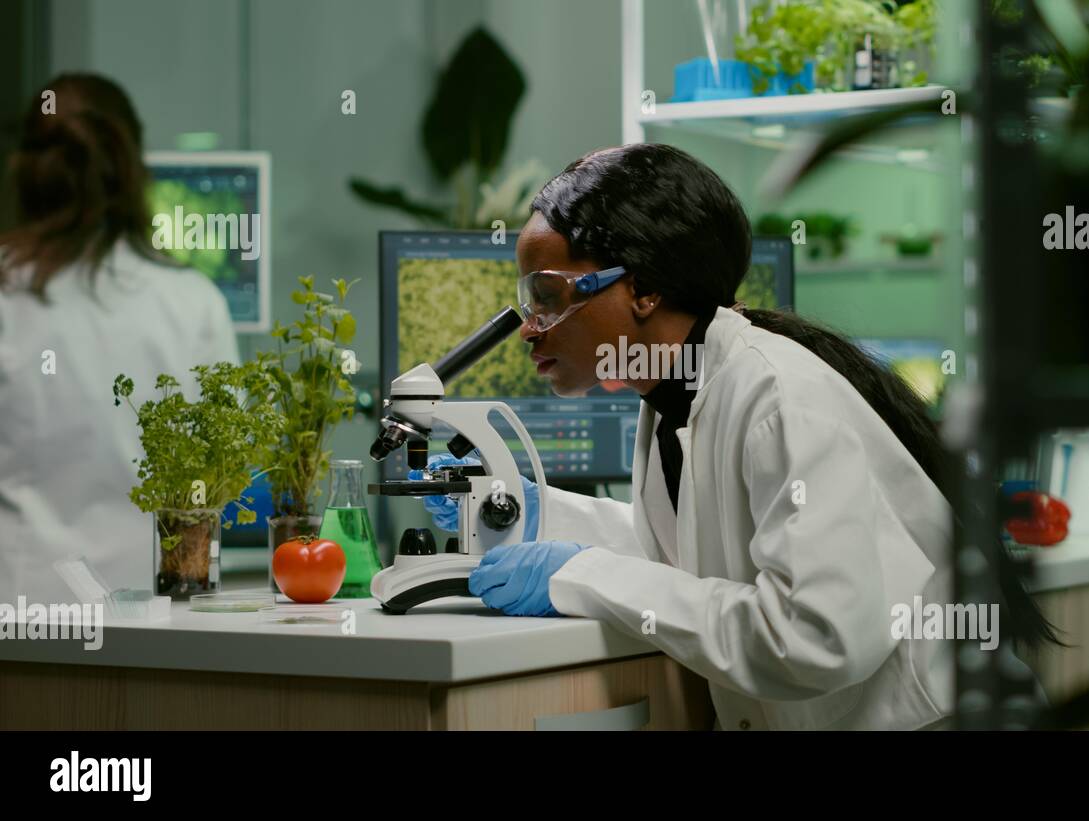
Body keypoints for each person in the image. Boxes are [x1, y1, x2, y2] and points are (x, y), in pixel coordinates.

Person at [421, 143, 1055, 730]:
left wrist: (579, 573)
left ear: (642, 289)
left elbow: (815, 638)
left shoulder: (777, 395)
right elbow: (699, 551)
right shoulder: (678, 395)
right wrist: (538, 512)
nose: (530, 329)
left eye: (547, 296)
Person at [0, 74, 238, 604]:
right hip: (152, 619)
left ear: (25, 171)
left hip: (16, 617)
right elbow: (217, 480)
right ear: (132, 170)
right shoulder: (192, 302)